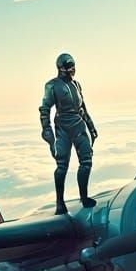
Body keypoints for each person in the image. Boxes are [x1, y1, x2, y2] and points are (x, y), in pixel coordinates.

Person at [39, 52, 98, 215]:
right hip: (63, 128)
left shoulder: (77, 85)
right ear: (61, 69)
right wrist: (47, 131)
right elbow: (45, 109)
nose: (72, 70)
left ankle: (84, 197)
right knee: (62, 166)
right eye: (68, 67)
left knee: (86, 161)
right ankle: (60, 202)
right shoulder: (52, 85)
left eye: (73, 67)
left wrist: (91, 126)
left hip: (79, 126)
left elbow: (82, 108)